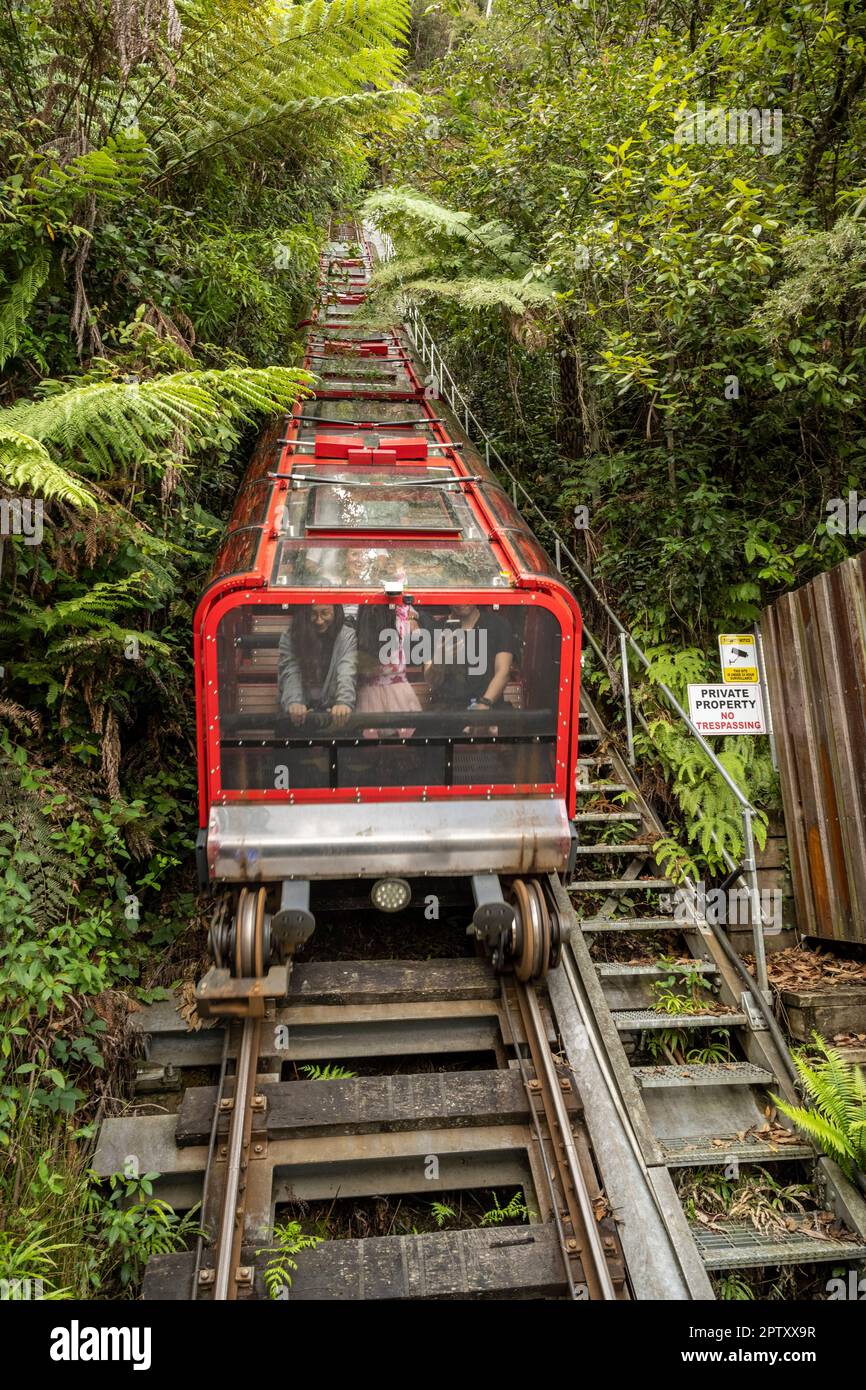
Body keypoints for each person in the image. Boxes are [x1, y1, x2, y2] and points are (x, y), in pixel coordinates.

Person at [425, 604, 514, 712]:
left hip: (489, 708)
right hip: (447, 712)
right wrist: (440, 660)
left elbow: (503, 672)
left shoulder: (498, 625)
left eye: (466, 588)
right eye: (457, 591)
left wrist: (484, 704)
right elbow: (432, 682)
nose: (462, 600)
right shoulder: (434, 629)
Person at [277, 604, 356, 727]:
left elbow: (347, 670)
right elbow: (291, 671)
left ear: (336, 611)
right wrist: (294, 702)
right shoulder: (290, 636)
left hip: (335, 713)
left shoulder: (347, 636)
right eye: (313, 614)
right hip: (299, 716)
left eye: (325, 613)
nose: (319, 621)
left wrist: (344, 703)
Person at [355, 602, 421, 737]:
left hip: (387, 691)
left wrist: (412, 617)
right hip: (384, 691)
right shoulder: (401, 621)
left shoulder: (401, 620)